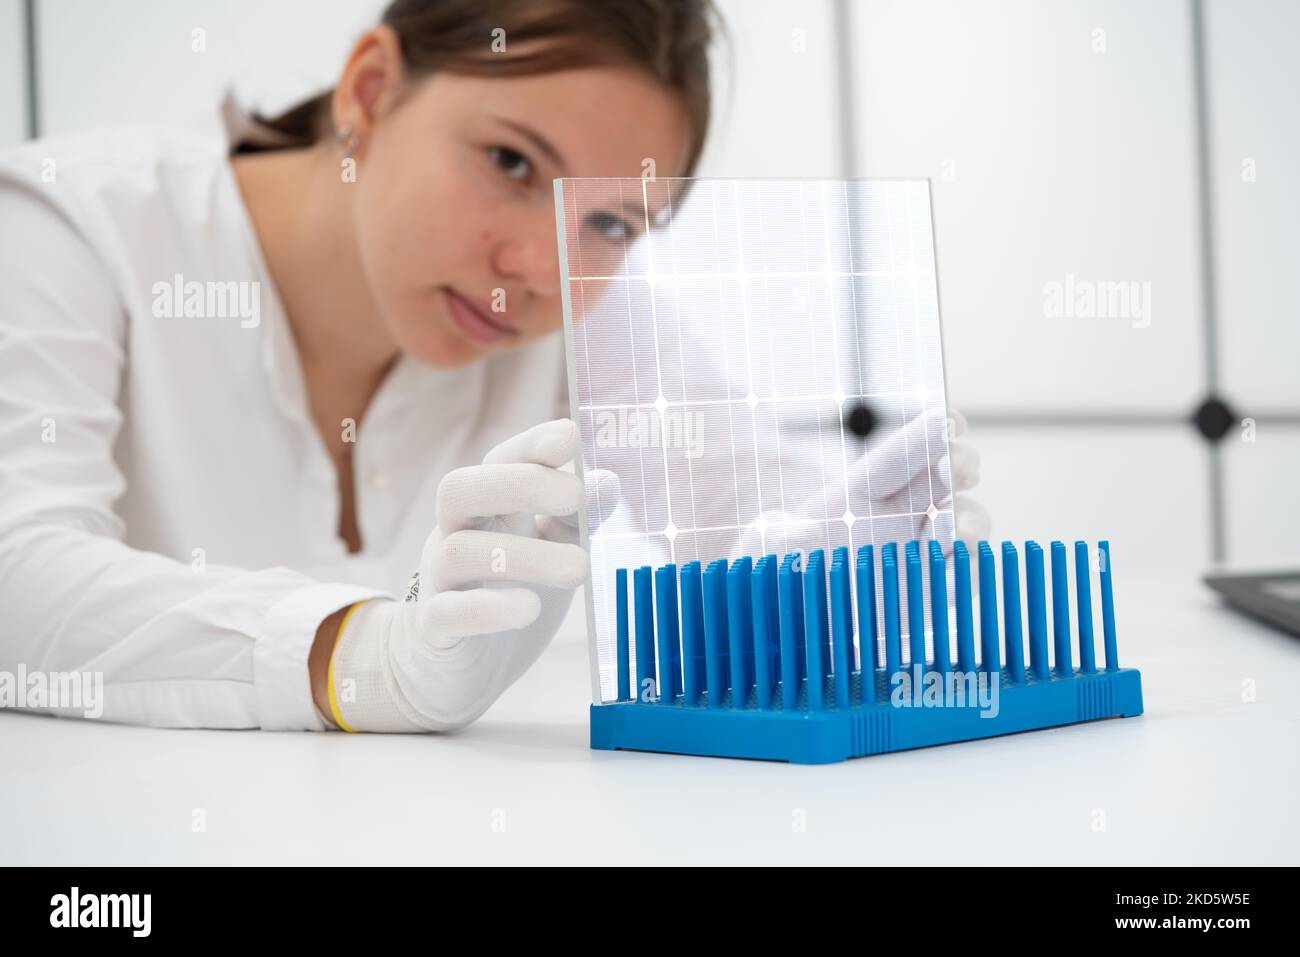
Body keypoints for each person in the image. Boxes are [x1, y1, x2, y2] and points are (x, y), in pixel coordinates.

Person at [0, 0, 985, 734]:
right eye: (511, 163)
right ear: (370, 91)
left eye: (608, 221)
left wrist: (852, 568)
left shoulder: (585, 309)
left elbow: (741, 509)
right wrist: (357, 655)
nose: (537, 268)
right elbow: (17, 579)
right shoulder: (70, 229)